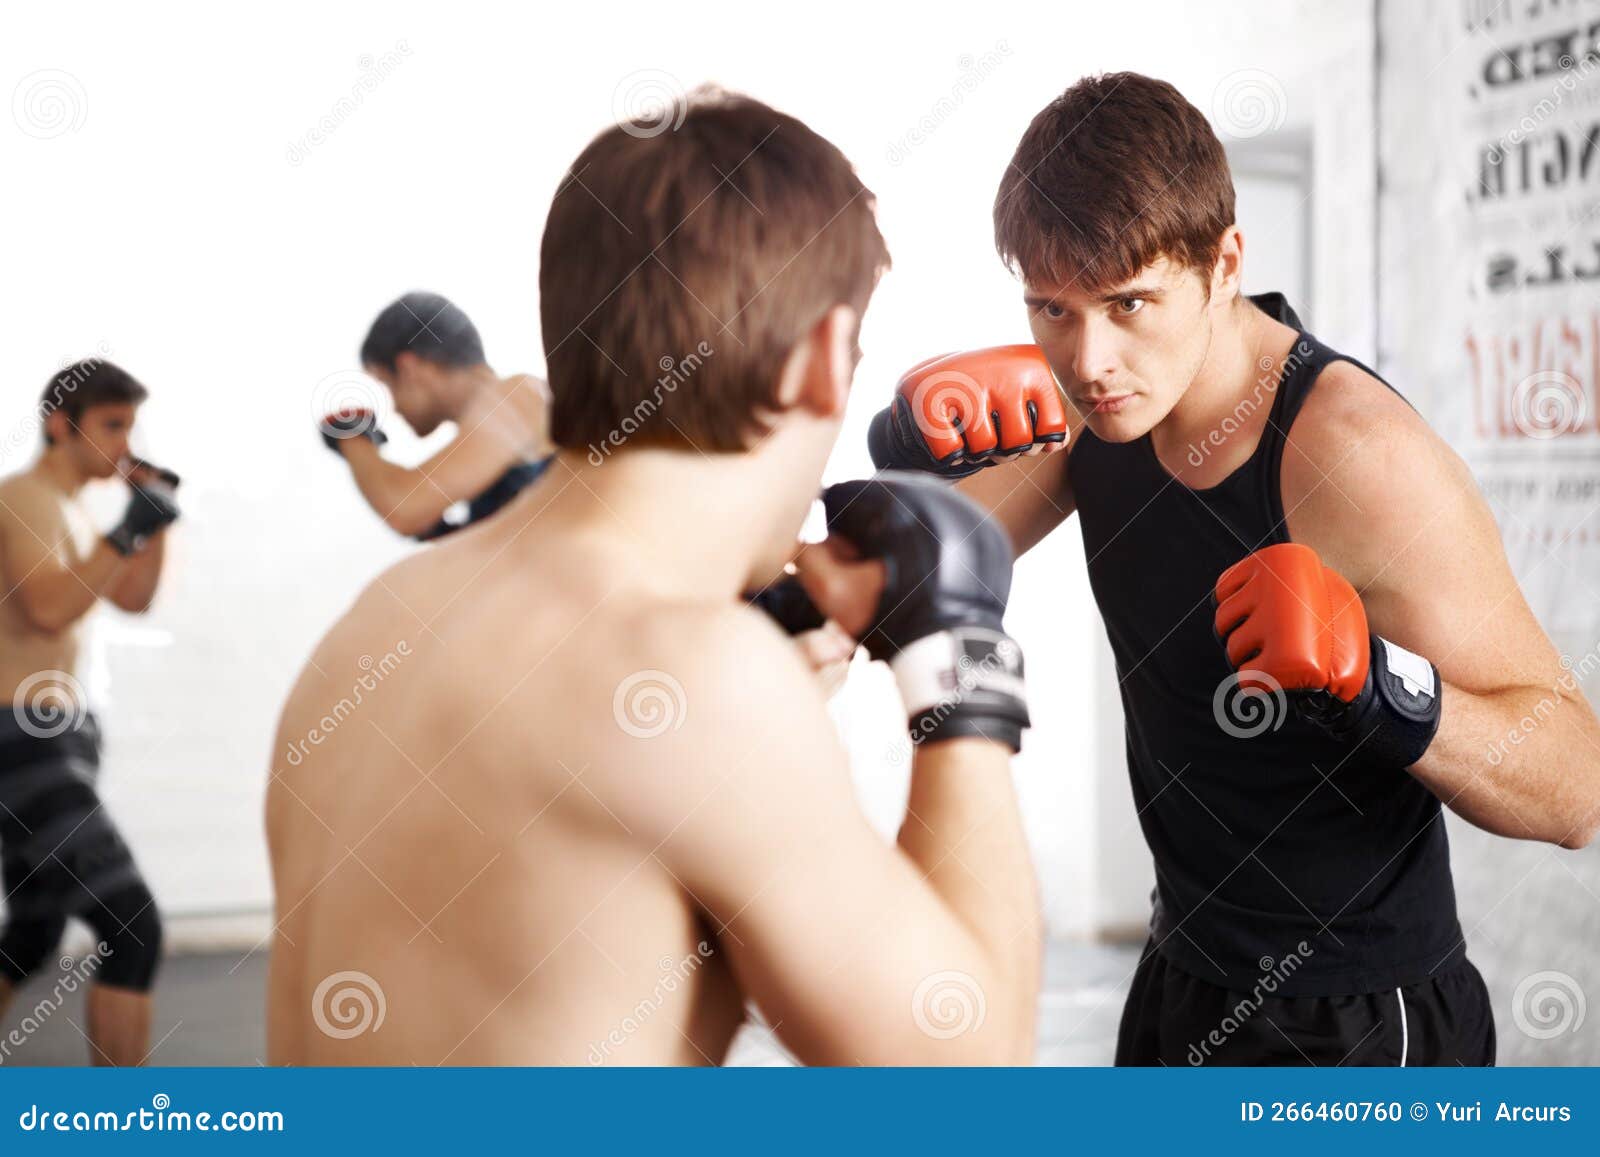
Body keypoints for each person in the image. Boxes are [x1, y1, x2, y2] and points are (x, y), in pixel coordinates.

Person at [266, 91, 1042, 1066]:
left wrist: (768, 695)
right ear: (817, 361)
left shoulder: (368, 632)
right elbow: (967, 1072)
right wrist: (957, 657)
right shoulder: (694, 677)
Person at [870, 71, 1600, 1066]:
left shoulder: (1351, 453)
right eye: (1051, 308)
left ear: (1224, 265)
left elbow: (1574, 788)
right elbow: (891, 588)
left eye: (1130, 302)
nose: (1088, 358)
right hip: (1181, 973)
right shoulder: (1094, 396)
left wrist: (1377, 680)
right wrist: (904, 457)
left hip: (1358, 1018)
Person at [0, 357, 177, 1065]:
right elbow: (46, 608)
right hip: (21, 740)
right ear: (59, 426)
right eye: (110, 426)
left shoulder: (74, 508)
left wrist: (153, 523)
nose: (123, 443)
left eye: (131, 426)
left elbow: (133, 598)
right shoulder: (23, 496)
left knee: (34, 932)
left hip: (52, 740)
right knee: (133, 925)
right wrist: (128, 530)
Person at [320, 291, 553, 540]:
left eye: (387, 385)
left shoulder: (517, 396)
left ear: (409, 368)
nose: (395, 408)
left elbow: (401, 506)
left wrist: (350, 434)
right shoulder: (507, 415)